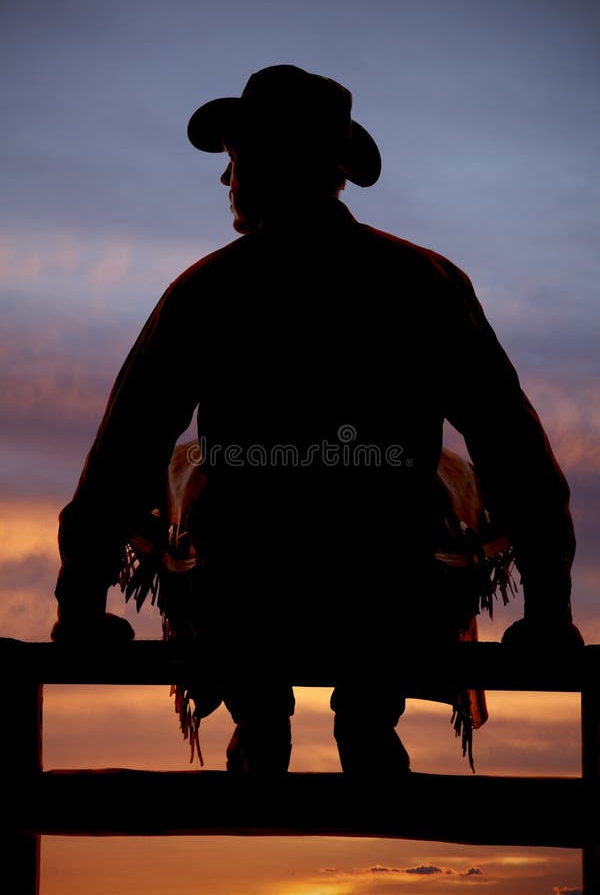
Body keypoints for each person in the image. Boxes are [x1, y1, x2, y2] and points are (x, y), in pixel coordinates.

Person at [51, 64, 583, 775]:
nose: (224, 181)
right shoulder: (426, 284)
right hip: (388, 596)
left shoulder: (208, 290)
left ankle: (255, 709)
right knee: (434, 490)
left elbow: (123, 453)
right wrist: (548, 614)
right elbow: (513, 449)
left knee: (194, 478)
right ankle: (370, 710)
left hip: (247, 596)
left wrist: (80, 607)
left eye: (234, 161)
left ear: (265, 165)